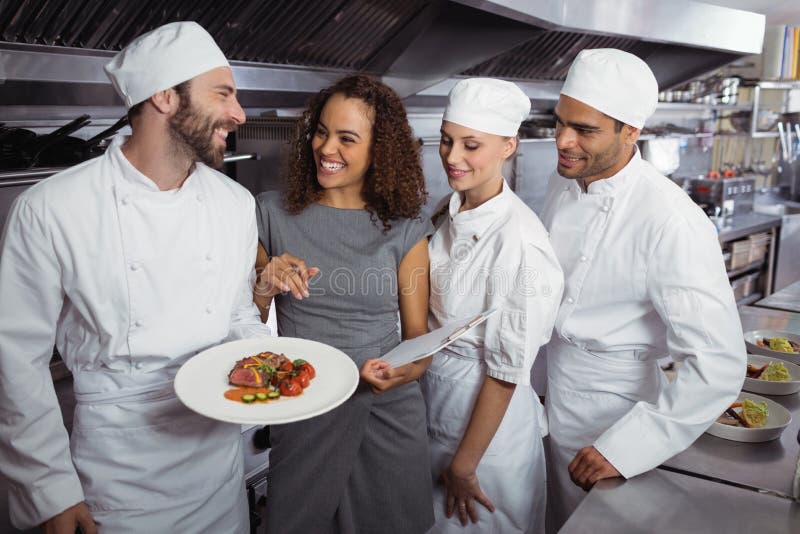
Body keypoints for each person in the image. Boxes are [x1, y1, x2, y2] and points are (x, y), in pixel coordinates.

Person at [0, 22, 268, 533]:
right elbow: (14, 361)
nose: (239, 113)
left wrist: (272, 371)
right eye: (224, 94)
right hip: (118, 480)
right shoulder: (52, 209)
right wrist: (49, 490)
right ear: (165, 96)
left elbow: (237, 316)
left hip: (218, 464)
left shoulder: (234, 202)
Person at [540, 48, 746, 528]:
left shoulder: (671, 220)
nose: (563, 141)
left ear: (631, 131)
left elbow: (717, 364)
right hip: (549, 394)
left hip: (612, 419)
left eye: (585, 130)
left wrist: (626, 448)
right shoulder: (566, 181)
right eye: (560, 122)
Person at [252, 74, 435, 534]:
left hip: (385, 410)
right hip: (307, 408)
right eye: (320, 131)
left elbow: (418, 340)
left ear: (381, 150)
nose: (326, 148)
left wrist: (397, 371)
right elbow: (245, 329)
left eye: (346, 139)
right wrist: (263, 286)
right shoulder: (269, 214)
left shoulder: (406, 228)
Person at [418, 78, 563, 534]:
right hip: (437, 405)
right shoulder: (450, 207)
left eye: (471, 145)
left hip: (486, 442)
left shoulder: (519, 241)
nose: (452, 156)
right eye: (445, 140)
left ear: (508, 146)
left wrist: (464, 466)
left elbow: (505, 370)